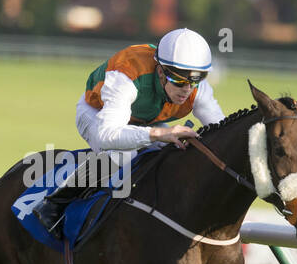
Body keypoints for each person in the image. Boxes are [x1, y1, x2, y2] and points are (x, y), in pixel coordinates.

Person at [31, 27, 223, 232]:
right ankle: (54, 202)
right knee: (123, 155)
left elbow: (222, 130)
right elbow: (108, 135)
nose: (187, 89)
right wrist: (160, 133)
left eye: (196, 80)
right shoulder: (127, 74)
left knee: (177, 151)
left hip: (145, 118)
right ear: (160, 71)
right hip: (97, 113)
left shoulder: (196, 88)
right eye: (179, 80)